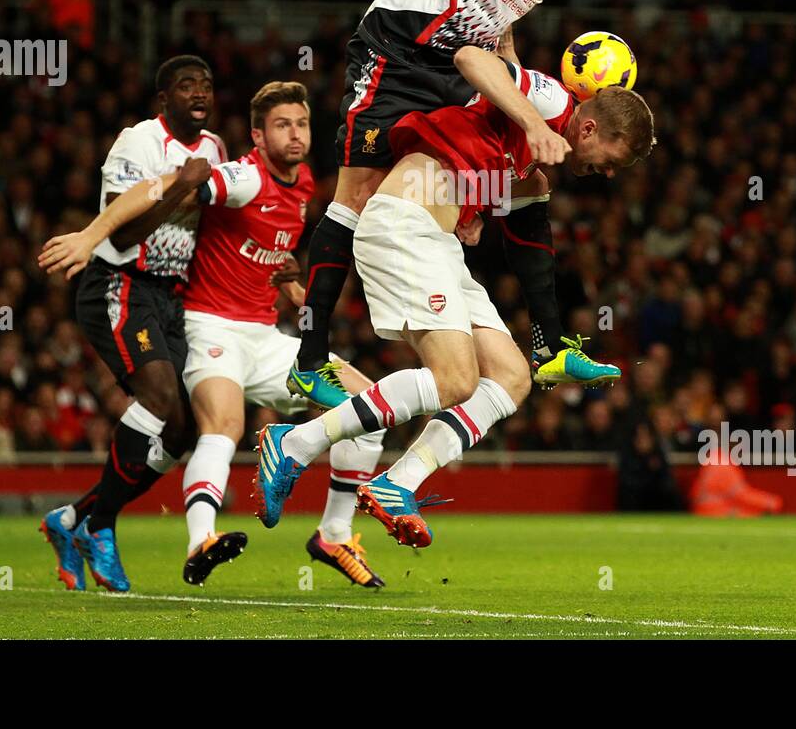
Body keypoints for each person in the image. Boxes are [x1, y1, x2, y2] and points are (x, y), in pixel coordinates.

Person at [262, 0, 651, 406]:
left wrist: (509, 77)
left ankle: (548, 346)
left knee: (526, 181)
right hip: (398, 47)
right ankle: (309, 361)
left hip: (454, 66)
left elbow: (498, 15)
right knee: (356, 196)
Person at [252, 42, 656, 548]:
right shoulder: (551, 103)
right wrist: (532, 123)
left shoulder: (531, 156)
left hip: (437, 240)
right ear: (590, 128)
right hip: (404, 225)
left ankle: (397, 483)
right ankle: (294, 443)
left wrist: (478, 208)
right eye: (613, 161)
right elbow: (470, 59)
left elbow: (525, 224)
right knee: (456, 380)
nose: (610, 173)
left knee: (511, 378)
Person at [41, 82, 388, 588]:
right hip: (210, 329)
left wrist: (292, 285)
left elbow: (262, 256)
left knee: (373, 406)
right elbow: (164, 186)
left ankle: (333, 534)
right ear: (258, 135)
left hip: (265, 338)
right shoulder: (243, 176)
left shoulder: (305, 184)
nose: (294, 134)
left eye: (301, 124)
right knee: (222, 426)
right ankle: (200, 540)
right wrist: (91, 235)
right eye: (282, 125)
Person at [37, 56, 224, 592]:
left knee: (184, 431)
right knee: (159, 396)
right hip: (120, 285)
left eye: (206, 85)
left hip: (171, 297)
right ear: (163, 99)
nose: (199, 93)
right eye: (186, 85)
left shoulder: (215, 148)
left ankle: (72, 518)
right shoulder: (138, 142)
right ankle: (101, 526)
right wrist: (180, 186)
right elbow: (120, 235)